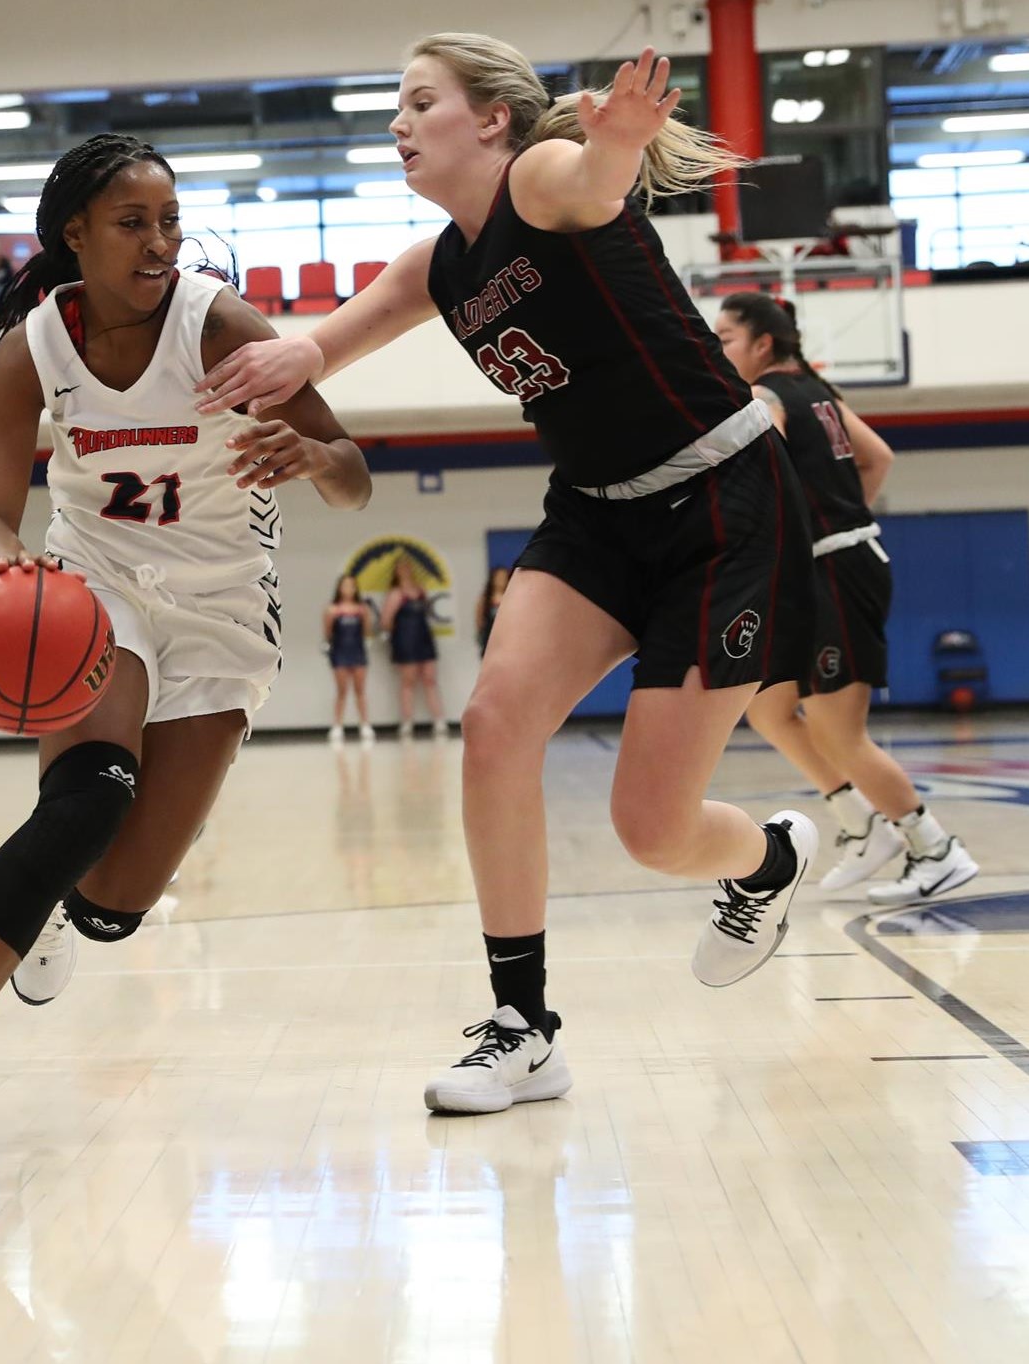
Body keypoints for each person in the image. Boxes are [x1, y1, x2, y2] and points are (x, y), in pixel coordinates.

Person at [197, 36, 822, 1116]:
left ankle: (767, 859)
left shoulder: (538, 177)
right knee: (492, 723)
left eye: (419, 101)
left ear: (490, 118)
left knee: (651, 829)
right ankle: (523, 1027)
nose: (397, 122)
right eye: (393, 104)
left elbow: (589, 180)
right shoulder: (434, 263)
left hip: (719, 503)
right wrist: (263, 368)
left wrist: (616, 142)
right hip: (594, 512)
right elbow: (318, 349)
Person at [0, 134, 373, 1169]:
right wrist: (13, 576)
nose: (158, 241)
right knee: (88, 796)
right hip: (98, 591)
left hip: (222, 610)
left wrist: (313, 456)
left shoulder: (217, 322)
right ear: (72, 235)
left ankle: (59, 906)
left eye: (170, 221)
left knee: (114, 904)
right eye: (132, 222)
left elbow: (354, 475)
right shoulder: (31, 350)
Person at [716, 293, 980, 906]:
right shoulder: (817, 390)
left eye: (726, 336)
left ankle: (936, 849)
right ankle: (863, 824)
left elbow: (765, 479)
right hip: (833, 560)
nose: (718, 347)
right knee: (770, 709)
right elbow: (878, 456)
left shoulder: (767, 397)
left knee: (841, 733)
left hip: (833, 568)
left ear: (762, 344)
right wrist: (839, 513)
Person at [381, 555, 446, 734]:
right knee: (408, 681)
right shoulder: (395, 594)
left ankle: (439, 720)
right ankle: (407, 722)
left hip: (424, 637)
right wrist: (398, 635)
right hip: (406, 639)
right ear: (396, 571)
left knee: (430, 678)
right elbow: (386, 621)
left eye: (408, 566)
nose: (405, 570)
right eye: (401, 567)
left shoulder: (421, 590)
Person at [324, 575, 376, 741]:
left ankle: (365, 724)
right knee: (342, 690)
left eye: (352, 586)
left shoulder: (362, 609)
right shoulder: (333, 610)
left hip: (358, 651)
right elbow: (328, 632)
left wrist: (367, 642)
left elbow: (367, 631)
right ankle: (338, 725)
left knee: (360, 690)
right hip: (340, 652)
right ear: (339, 588)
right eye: (345, 586)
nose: (348, 589)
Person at [474, 566, 511, 655]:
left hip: (507, 638)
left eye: (503, 577)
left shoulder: (511, 598)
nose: (501, 580)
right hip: (489, 638)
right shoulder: (485, 599)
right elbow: (479, 618)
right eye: (498, 577)